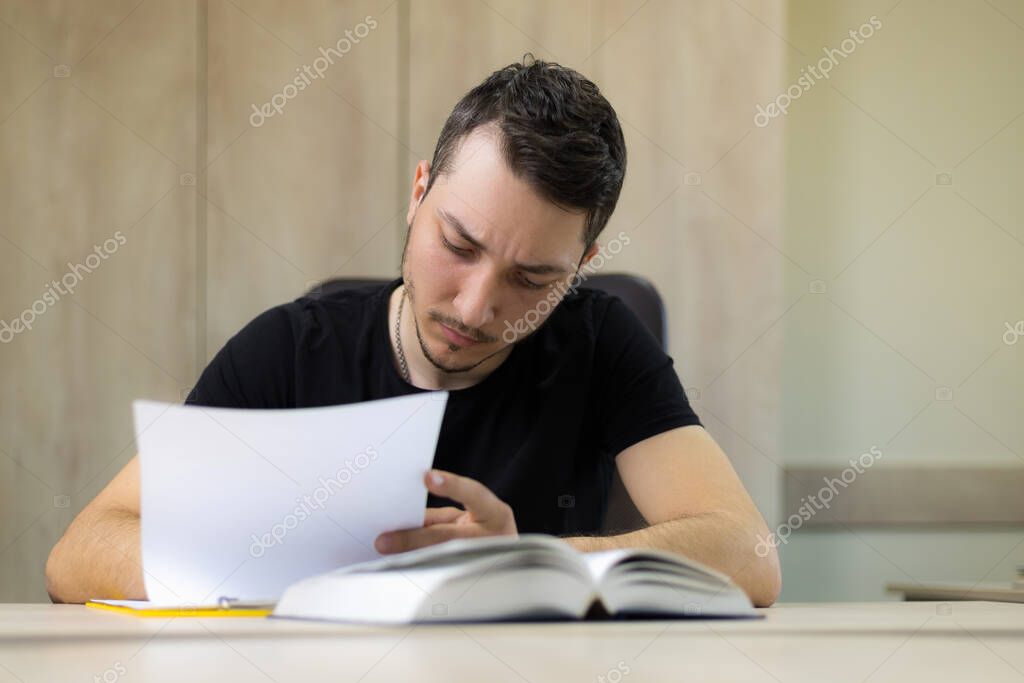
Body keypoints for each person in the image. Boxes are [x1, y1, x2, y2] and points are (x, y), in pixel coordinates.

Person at [46, 57, 781, 606]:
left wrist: (528, 558)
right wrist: (285, 569)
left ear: (583, 266)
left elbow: (748, 554)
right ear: (418, 191)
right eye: (459, 245)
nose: (474, 306)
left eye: (532, 279)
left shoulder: (603, 343)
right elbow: (78, 553)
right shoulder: (288, 351)